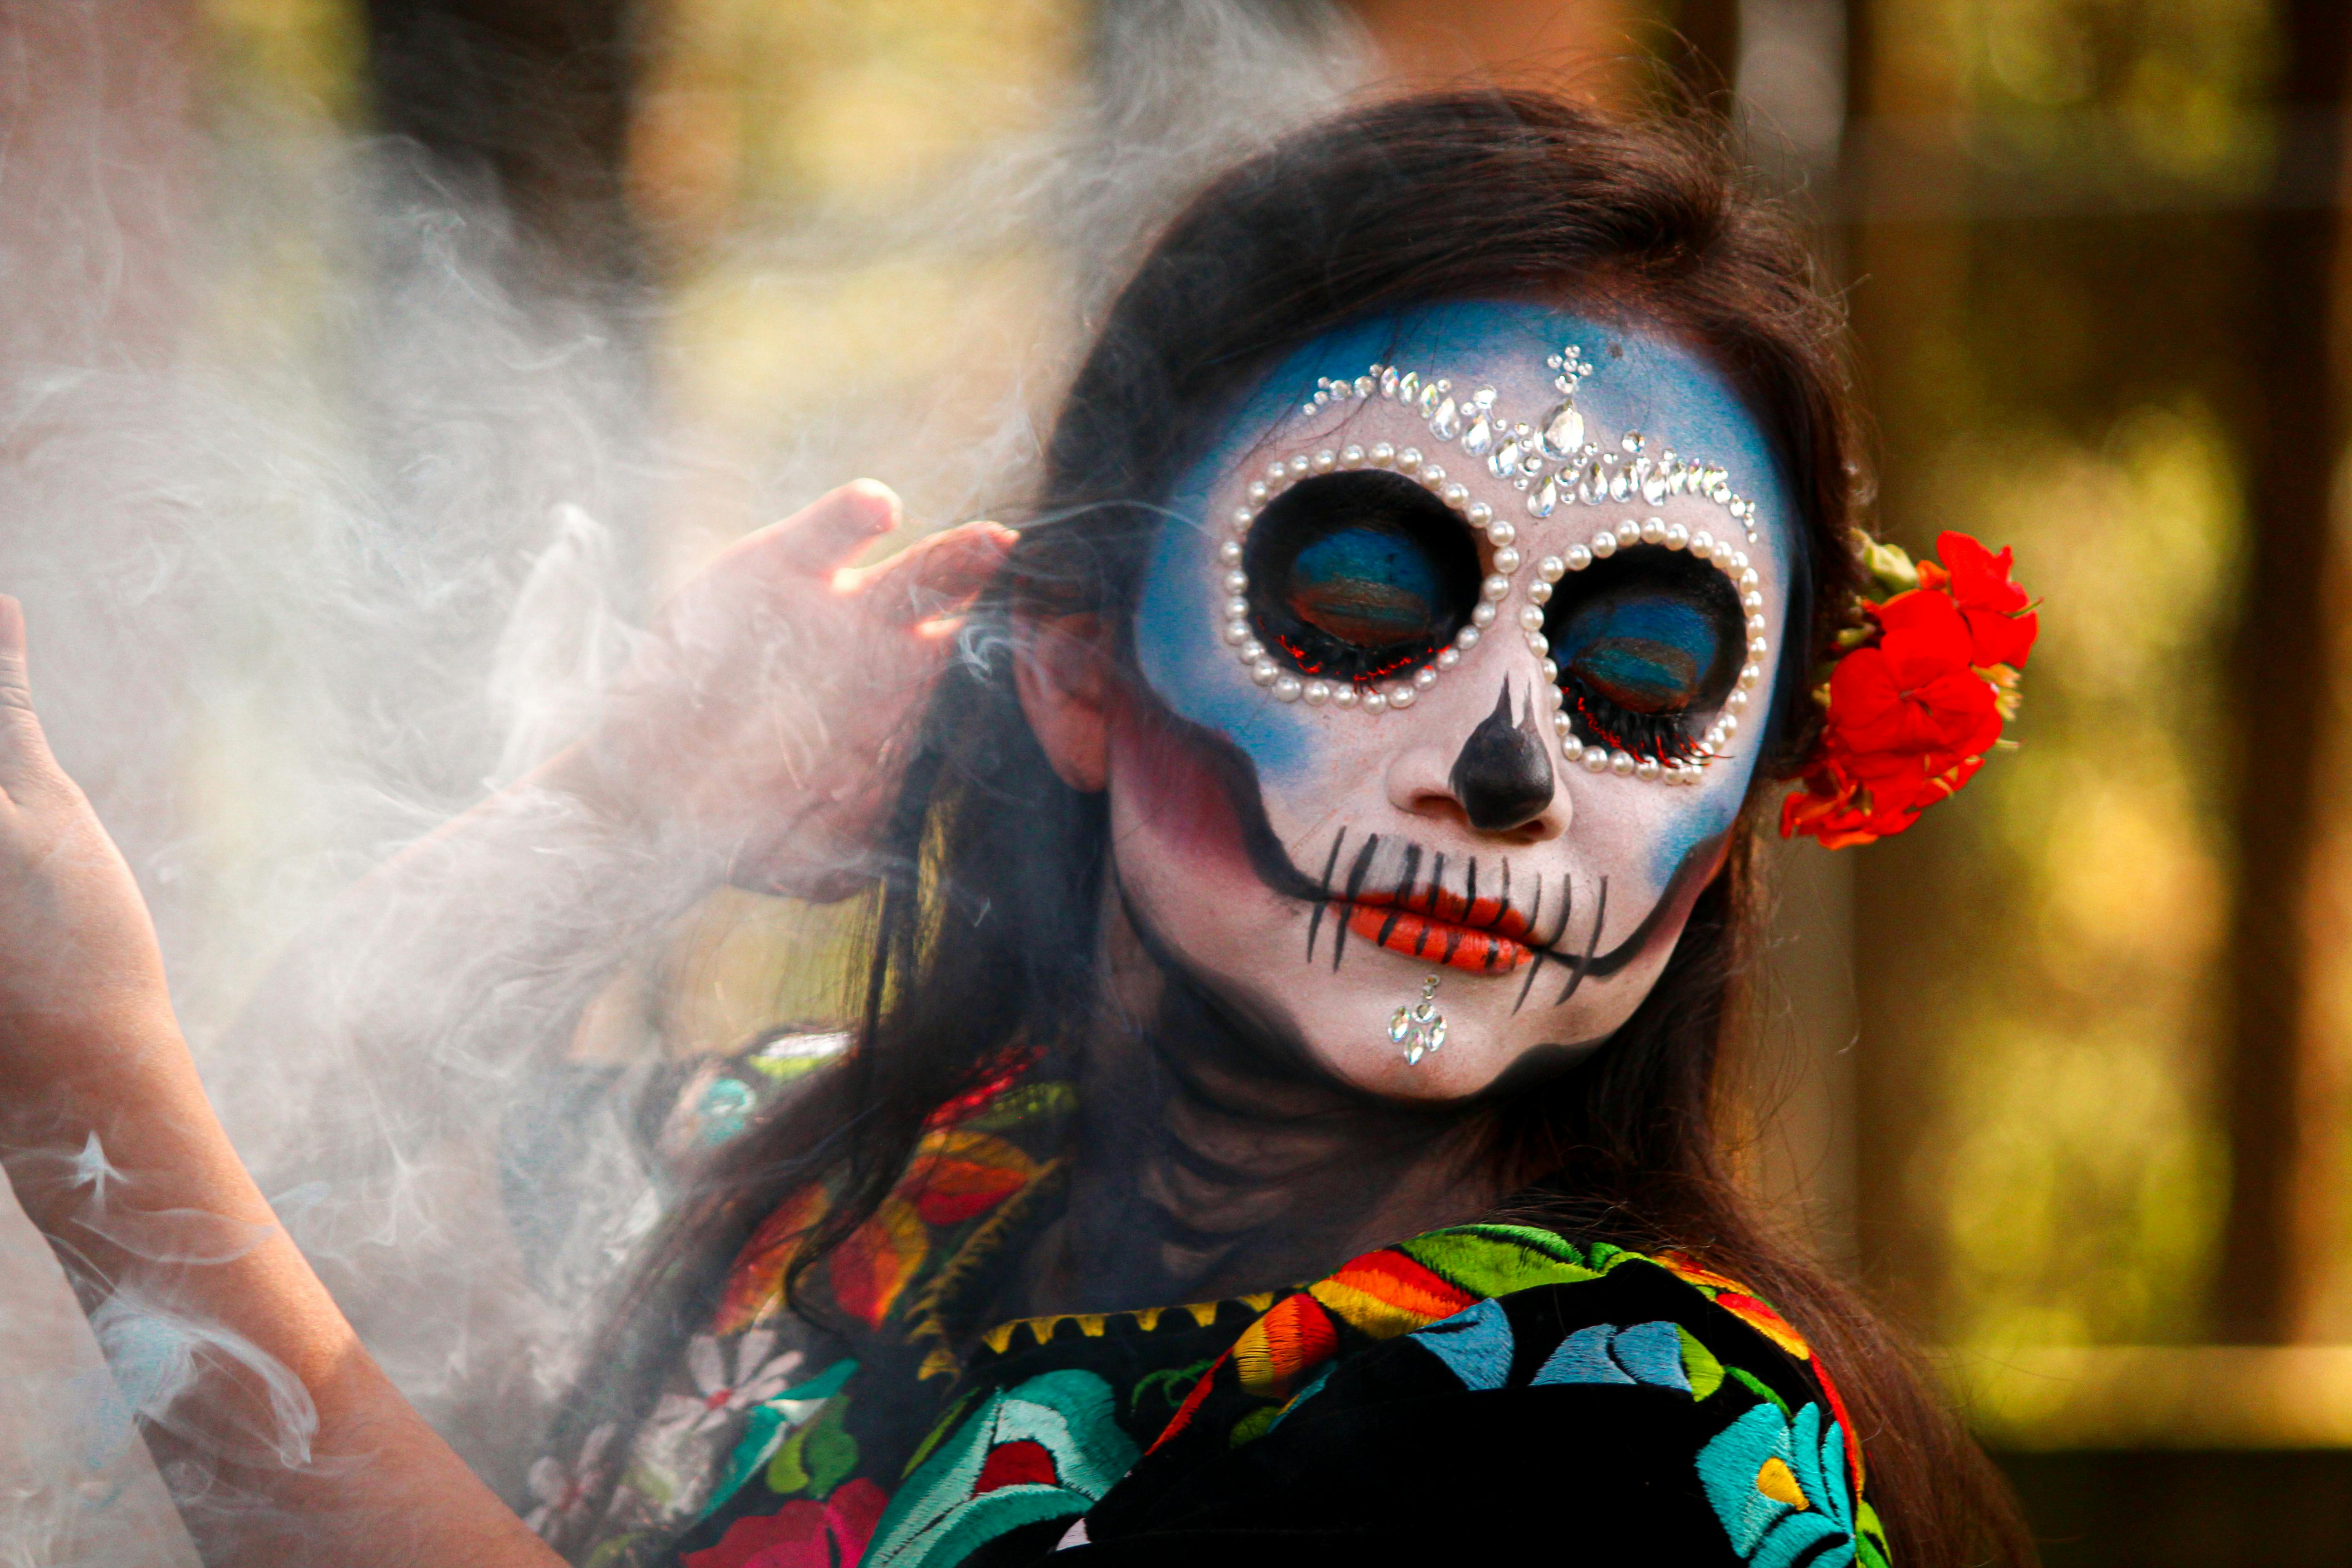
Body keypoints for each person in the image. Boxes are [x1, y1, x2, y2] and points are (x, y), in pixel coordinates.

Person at [0, 92, 2038, 1567]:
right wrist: (596, 829)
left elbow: (188, 1230)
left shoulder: (1612, 1422)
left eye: (1647, 665)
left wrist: (93, 1085)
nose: (1507, 766)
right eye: (1355, 602)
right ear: (1073, 665)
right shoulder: (837, 1178)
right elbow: (301, 1206)